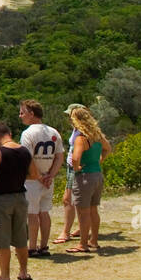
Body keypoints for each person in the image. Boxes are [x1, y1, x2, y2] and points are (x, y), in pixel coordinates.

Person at [0, 121, 34, 280]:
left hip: (2, 199)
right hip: (20, 197)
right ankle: (23, 272)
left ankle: (5, 277)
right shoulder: (25, 151)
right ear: (10, 133)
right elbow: (35, 174)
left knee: (2, 239)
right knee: (21, 237)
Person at [18, 99, 63, 257]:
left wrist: (39, 177)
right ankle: (44, 246)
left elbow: (27, 159)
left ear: (31, 114)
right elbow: (59, 157)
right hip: (48, 180)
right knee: (44, 212)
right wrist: (50, 175)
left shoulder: (28, 134)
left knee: (32, 214)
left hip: (32, 181)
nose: (20, 116)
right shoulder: (54, 132)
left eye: (22, 113)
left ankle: (32, 247)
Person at [66, 105, 111, 254]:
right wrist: (99, 160)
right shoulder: (97, 135)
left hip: (84, 176)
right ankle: (94, 241)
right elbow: (108, 148)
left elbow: (76, 157)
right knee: (93, 210)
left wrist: (77, 167)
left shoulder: (81, 138)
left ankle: (83, 244)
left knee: (83, 212)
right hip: (97, 174)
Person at [53, 103, 87, 244]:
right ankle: (81, 228)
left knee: (68, 199)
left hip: (75, 167)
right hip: (73, 166)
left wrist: (77, 165)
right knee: (78, 200)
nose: (68, 118)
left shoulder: (82, 132)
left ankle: (65, 232)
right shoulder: (81, 129)